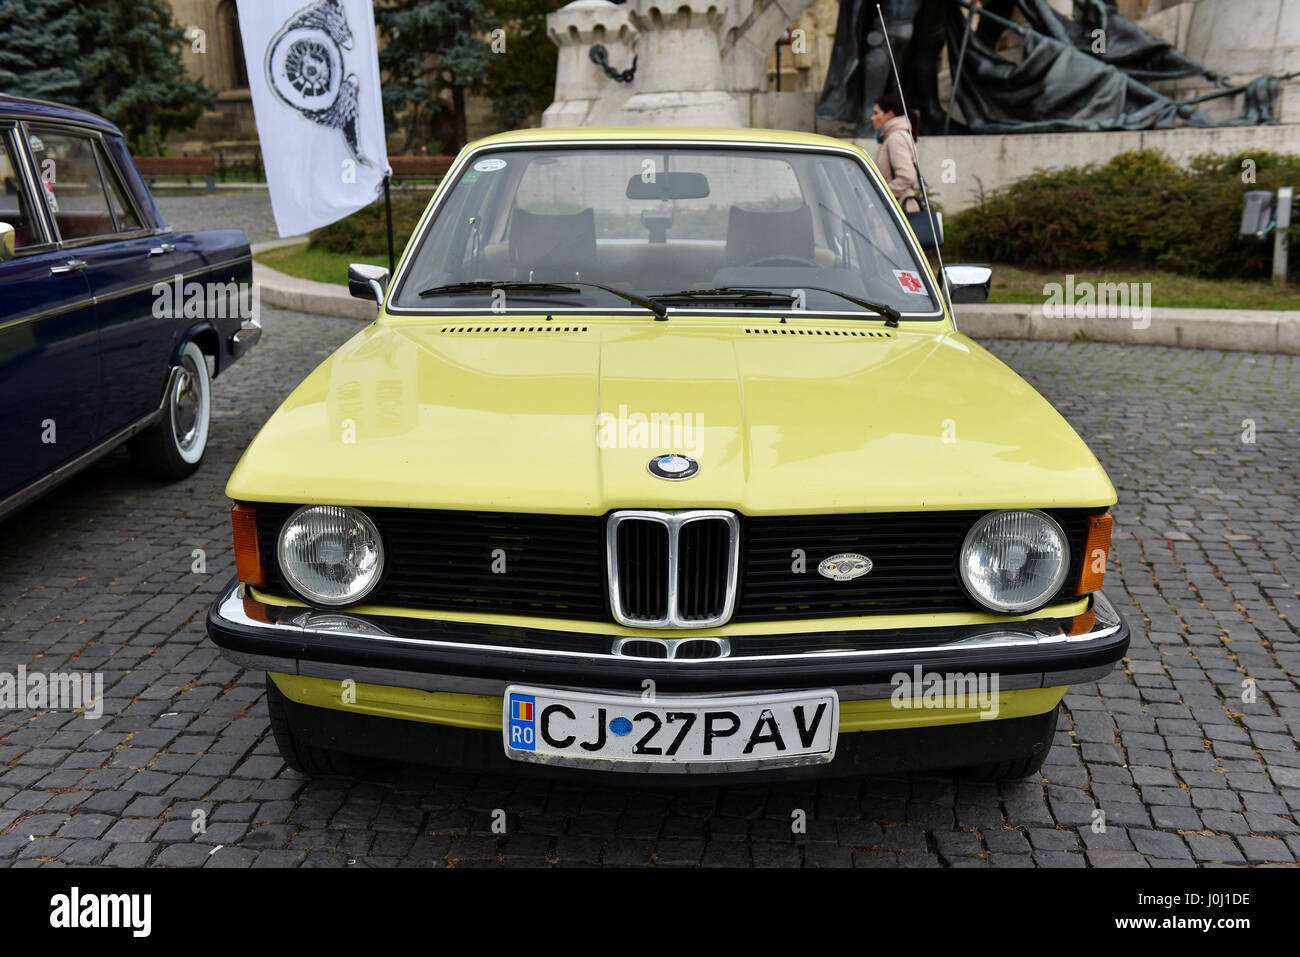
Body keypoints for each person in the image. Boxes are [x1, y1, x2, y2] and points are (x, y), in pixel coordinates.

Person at [870, 91, 917, 207]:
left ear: (890, 114)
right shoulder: (892, 136)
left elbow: (907, 176)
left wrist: (881, 196)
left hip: (900, 207)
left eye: (876, 113)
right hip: (897, 206)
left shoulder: (895, 137)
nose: (872, 118)